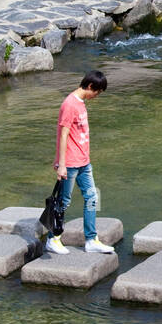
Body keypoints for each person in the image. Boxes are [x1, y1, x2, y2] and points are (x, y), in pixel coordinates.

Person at [46, 70, 115, 255]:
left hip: (84, 162)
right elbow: (63, 134)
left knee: (92, 198)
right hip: (70, 163)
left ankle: (91, 240)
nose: (97, 96)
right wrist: (60, 164)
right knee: (63, 202)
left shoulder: (80, 103)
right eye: (97, 92)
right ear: (90, 86)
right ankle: (53, 239)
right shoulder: (69, 104)